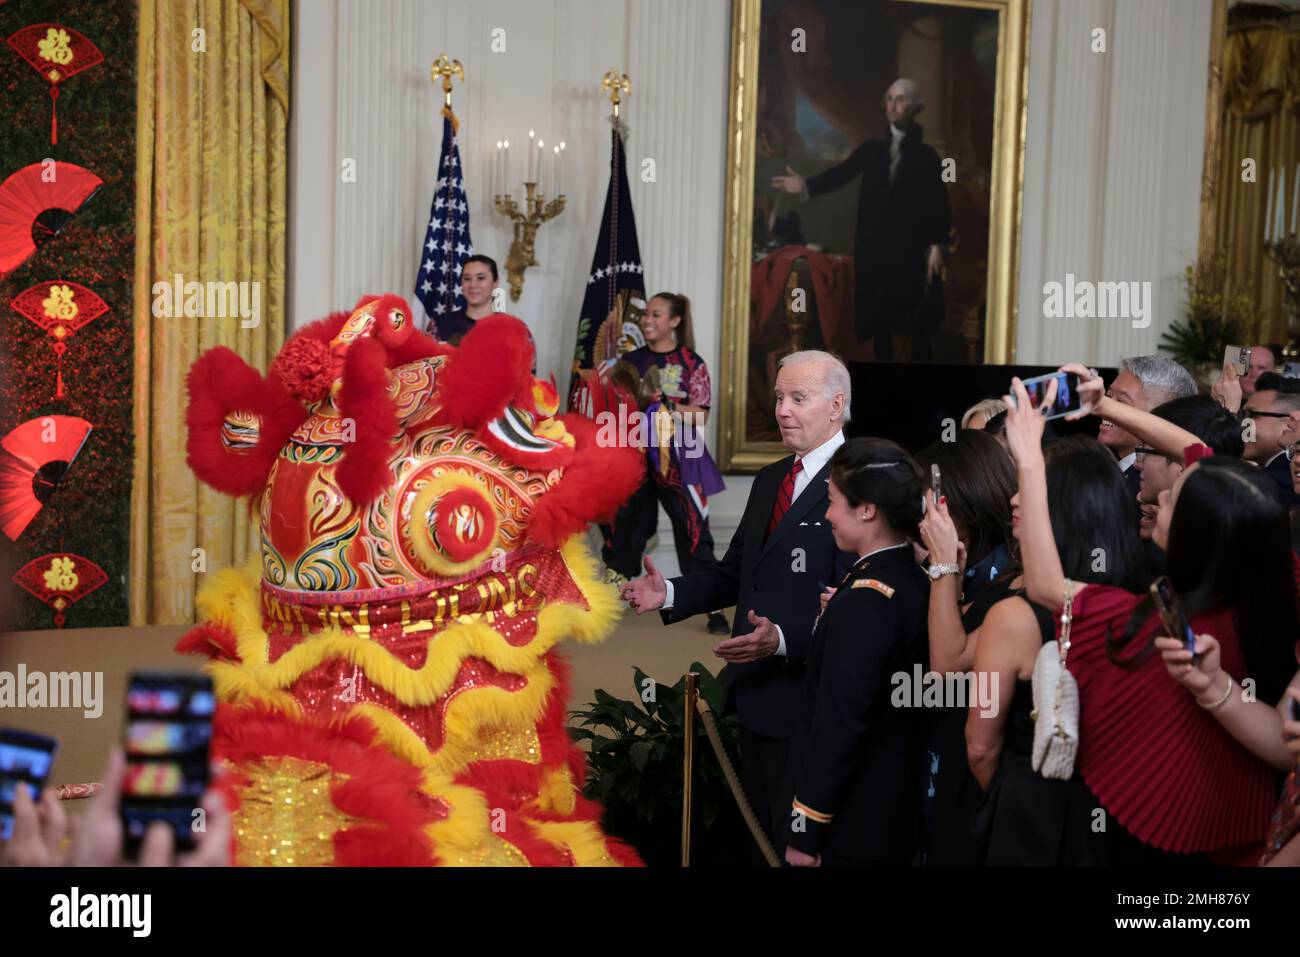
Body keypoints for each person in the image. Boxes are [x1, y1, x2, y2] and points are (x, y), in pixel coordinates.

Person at [1008, 367, 1300, 864]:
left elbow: (1045, 585)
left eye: (1174, 502)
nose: (1161, 496)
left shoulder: (1162, 622)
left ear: (1196, 536)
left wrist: (1032, 462)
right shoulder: (1275, 576)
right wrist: (1103, 405)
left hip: (1201, 843)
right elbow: (1199, 456)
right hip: (1254, 820)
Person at [620, 350, 857, 858]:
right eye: (778, 398)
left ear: (836, 404)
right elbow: (735, 572)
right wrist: (673, 592)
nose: (782, 411)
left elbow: (861, 599)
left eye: (798, 398)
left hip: (814, 700)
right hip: (753, 697)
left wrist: (784, 639)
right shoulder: (773, 478)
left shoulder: (863, 478)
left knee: (802, 846)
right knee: (761, 839)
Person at [964, 436, 1149, 865]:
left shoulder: (1011, 618)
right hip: (1126, 815)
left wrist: (1016, 802)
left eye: (1029, 487)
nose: (1013, 497)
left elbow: (979, 744)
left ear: (1063, 507)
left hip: (1035, 819)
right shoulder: (1141, 597)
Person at [783, 438, 929, 866]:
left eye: (832, 502)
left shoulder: (867, 599)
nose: (826, 515)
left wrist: (805, 828)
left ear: (867, 509)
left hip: (854, 815)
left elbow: (838, 725)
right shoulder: (913, 579)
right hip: (896, 803)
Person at [769, 79, 950, 362]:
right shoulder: (872, 151)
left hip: (911, 252)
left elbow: (939, 204)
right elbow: (840, 174)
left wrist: (938, 245)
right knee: (879, 324)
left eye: (901, 99)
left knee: (917, 326)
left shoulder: (928, 157)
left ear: (916, 108)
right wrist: (804, 185)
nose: (893, 105)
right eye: (889, 98)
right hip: (876, 251)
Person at [913, 430, 1018, 864]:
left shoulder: (1008, 585)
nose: (918, 524)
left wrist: (940, 566)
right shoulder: (958, 570)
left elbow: (945, 667)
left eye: (927, 509)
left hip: (977, 782)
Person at [602, 292, 730, 635]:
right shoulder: (629, 362)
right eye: (646, 314)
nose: (647, 320)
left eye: (656, 315)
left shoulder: (691, 362)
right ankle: (607, 596)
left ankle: (711, 603)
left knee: (692, 530)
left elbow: (701, 416)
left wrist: (667, 409)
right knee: (625, 523)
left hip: (680, 455)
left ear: (674, 321)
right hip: (636, 455)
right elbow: (615, 410)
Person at [1098, 355, 1198, 525]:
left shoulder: (1153, 487)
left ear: (1158, 417)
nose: (1106, 410)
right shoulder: (1110, 469)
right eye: (1108, 396)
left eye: (1121, 402)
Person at [1241, 372, 1300, 506]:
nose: (1243, 423)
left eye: (1252, 414)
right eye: (1243, 415)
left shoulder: (1283, 479)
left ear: (1291, 421)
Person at [434, 255, 498, 345]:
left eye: (481, 278)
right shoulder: (439, 325)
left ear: (495, 282)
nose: (473, 285)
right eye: (467, 279)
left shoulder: (513, 328)